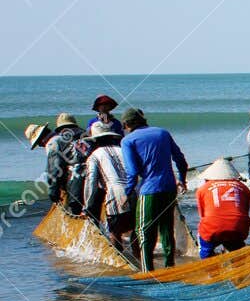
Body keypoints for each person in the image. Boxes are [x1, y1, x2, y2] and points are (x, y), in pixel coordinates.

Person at [120, 108, 190, 270]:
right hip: (169, 187)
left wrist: (127, 192)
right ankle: (169, 267)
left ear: (127, 124)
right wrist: (182, 180)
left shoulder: (128, 141)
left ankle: (147, 271)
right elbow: (180, 159)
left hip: (149, 190)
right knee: (166, 228)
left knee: (143, 231)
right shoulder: (162, 133)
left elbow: (132, 171)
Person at [80, 120, 134, 255]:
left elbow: (91, 183)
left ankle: (122, 260)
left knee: (115, 233)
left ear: (95, 141)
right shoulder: (123, 150)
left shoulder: (94, 156)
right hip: (134, 191)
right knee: (135, 229)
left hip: (115, 194)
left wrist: (88, 206)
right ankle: (141, 260)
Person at [194, 158, 250, 257]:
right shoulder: (244, 188)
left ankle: (207, 261)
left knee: (205, 247)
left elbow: (202, 215)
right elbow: (245, 212)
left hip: (212, 228)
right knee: (236, 249)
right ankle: (237, 262)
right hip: (239, 228)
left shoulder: (202, 189)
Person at [44, 114, 88, 214]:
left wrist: (53, 191)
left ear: (60, 129)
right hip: (93, 183)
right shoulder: (87, 137)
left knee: (74, 214)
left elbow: (56, 168)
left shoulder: (58, 141)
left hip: (74, 187)